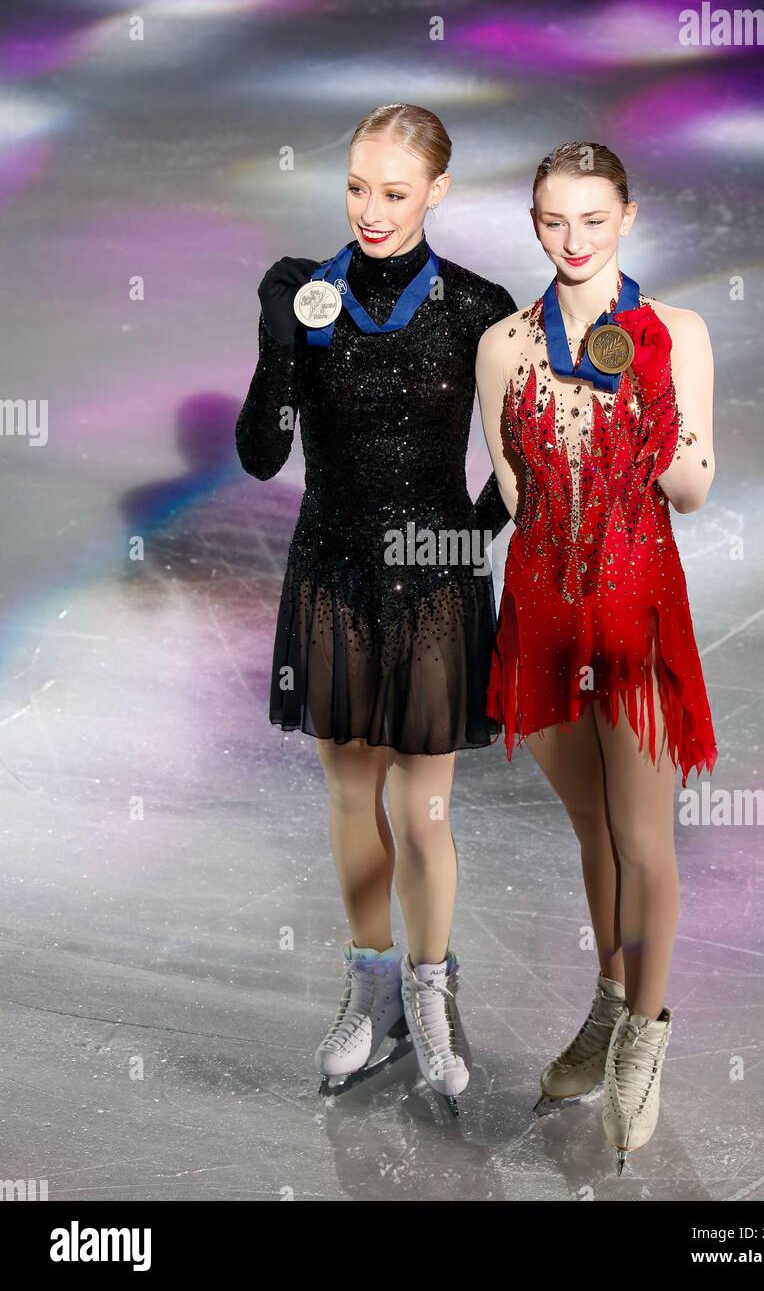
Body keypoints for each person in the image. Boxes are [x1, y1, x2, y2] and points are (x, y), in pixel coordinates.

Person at [235, 103, 515, 1115]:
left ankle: (432, 992)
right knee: (354, 798)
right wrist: (283, 345)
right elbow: (262, 453)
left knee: (423, 811)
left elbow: (515, 466)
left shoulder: (480, 306)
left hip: (435, 586)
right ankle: (372, 986)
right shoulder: (308, 294)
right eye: (357, 187)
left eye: (395, 192)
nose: (371, 210)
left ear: (438, 190)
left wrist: (458, 550)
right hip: (334, 576)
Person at [475, 141, 718, 1170]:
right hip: (540, 614)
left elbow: (694, 489)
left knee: (643, 835)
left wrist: (651, 401)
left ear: (627, 216)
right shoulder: (503, 346)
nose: (572, 240)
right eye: (552, 220)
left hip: (635, 619)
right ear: (534, 222)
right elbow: (517, 493)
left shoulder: (677, 333)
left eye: (592, 218)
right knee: (592, 827)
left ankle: (645, 1037)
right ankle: (611, 1001)